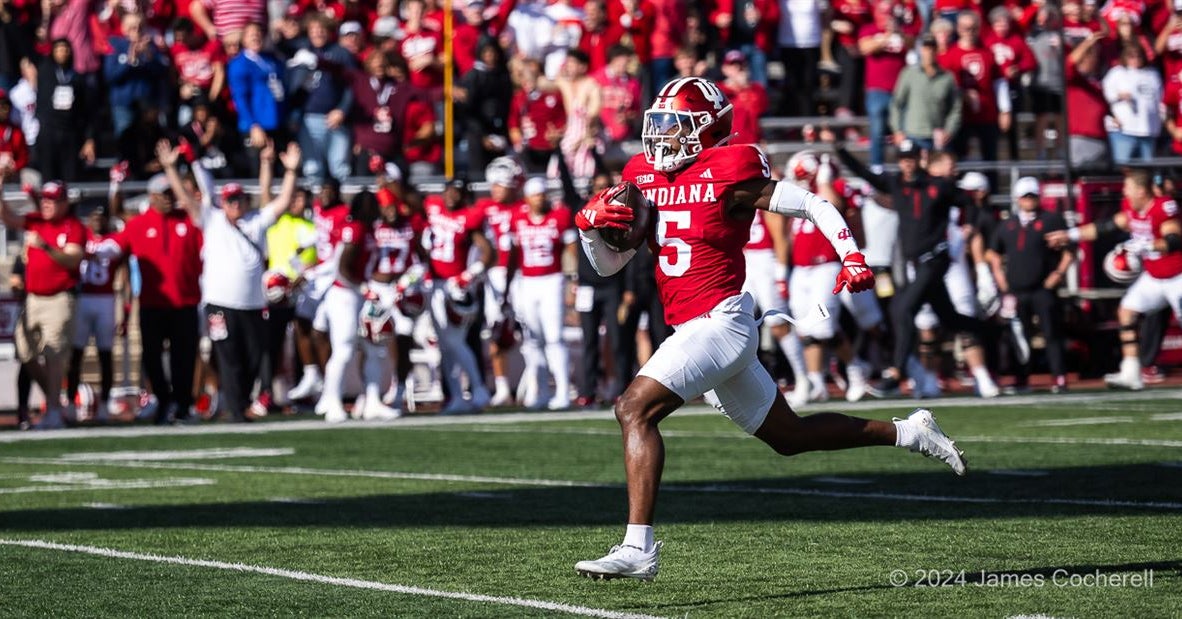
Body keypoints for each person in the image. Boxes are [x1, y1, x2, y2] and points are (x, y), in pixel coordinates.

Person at [573, 77, 967, 580]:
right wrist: (588, 228)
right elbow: (608, 265)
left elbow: (812, 205)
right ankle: (910, 431)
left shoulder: (730, 167)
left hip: (722, 322)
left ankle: (637, 548)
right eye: (660, 125)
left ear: (705, 129)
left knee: (633, 408)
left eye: (674, 126)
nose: (662, 137)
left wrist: (850, 254)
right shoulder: (641, 175)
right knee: (791, 436)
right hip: (690, 329)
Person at [835, 140, 999, 399]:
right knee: (949, 319)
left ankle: (897, 373)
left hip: (934, 259)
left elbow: (972, 202)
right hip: (917, 263)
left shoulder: (937, 185)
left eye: (911, 157)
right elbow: (864, 174)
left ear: (919, 159)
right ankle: (994, 331)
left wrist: (970, 225)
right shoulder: (896, 184)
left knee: (902, 308)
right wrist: (840, 149)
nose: (907, 162)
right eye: (903, 158)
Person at [1047, 169, 1182, 391]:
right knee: (1126, 311)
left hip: (1177, 276)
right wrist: (1069, 235)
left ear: (1141, 191)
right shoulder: (1130, 209)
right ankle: (1131, 372)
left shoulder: (1162, 206)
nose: (1124, 193)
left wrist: (1148, 245)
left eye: (1128, 188)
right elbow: (1105, 227)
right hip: (1155, 277)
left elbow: (1174, 239)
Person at [0, 179, 84, 429]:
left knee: (54, 354)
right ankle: (55, 399)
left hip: (59, 298)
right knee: (24, 351)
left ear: (64, 202)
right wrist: (2, 183)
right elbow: (5, 215)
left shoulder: (73, 227)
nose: (47, 203)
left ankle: (55, 411)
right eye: (45, 198)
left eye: (53, 199)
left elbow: (73, 260)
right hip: (33, 298)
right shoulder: (36, 221)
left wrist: (46, 247)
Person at [987, 177, 1072, 394]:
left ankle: (1059, 376)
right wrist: (1000, 277)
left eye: (1032, 196)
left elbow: (1070, 250)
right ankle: (1021, 377)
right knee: (1019, 336)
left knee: (1051, 331)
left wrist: (1059, 273)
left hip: (1042, 287)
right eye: (1025, 197)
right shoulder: (1008, 224)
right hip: (1016, 289)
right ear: (1017, 199)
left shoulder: (1051, 220)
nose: (1029, 200)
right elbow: (993, 252)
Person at [423, 178, 494, 414]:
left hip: (454, 285)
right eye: (450, 190)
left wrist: (469, 274)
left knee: (455, 341)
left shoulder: (468, 217)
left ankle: (478, 388)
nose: (452, 195)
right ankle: (455, 396)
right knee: (445, 345)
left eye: (458, 192)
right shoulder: (432, 207)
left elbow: (488, 253)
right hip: (433, 284)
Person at [506, 177, 578, 410]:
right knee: (532, 338)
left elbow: (571, 248)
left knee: (554, 337)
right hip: (527, 282)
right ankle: (541, 391)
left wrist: (573, 280)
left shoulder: (559, 216)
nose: (541, 197)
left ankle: (563, 390)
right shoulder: (517, 217)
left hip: (552, 280)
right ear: (527, 198)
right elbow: (513, 254)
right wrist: (509, 284)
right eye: (536, 194)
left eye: (543, 193)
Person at [67, 202, 125, 421]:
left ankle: (105, 404)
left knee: (106, 354)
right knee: (76, 354)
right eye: (94, 217)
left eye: (101, 217)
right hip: (83, 298)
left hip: (105, 299)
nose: (97, 220)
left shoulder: (113, 241)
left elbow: (111, 253)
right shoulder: (80, 236)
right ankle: (71, 403)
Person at [474, 157, 524, 406]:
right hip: (495, 274)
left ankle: (532, 385)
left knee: (527, 329)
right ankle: (502, 386)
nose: (494, 189)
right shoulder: (484, 208)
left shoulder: (523, 208)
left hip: (523, 275)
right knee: (496, 330)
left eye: (500, 185)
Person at [890, 33, 961, 152]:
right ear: (920, 50)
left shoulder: (947, 77)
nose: (929, 52)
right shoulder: (909, 74)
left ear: (937, 50)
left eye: (932, 48)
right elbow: (896, 103)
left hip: (938, 137)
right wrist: (897, 130)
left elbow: (955, 108)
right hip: (913, 135)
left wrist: (949, 130)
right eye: (926, 48)